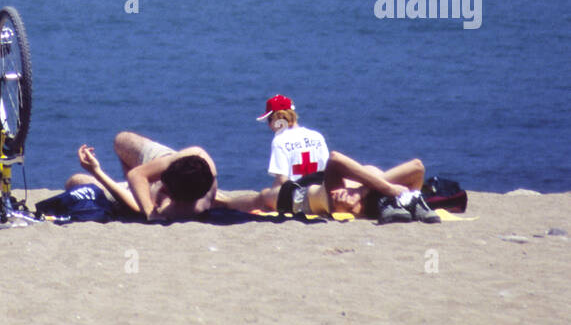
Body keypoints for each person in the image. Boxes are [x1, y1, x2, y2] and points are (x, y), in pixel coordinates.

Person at [225, 151, 440, 223]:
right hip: (353, 180)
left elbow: (335, 158)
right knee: (260, 198)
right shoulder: (356, 197)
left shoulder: (344, 202)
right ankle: (220, 199)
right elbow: (418, 167)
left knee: (262, 199)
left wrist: (362, 191)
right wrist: (372, 190)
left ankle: (219, 199)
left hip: (301, 198)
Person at [66, 131, 219, 222]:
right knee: (122, 139)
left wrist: (96, 171)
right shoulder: (199, 157)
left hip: (140, 198)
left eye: (165, 187)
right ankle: (140, 181)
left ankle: (133, 187)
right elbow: (137, 174)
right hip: (166, 164)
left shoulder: (176, 211)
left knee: (76, 182)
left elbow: (137, 206)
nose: (161, 184)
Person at [257, 93, 329, 187]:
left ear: (279, 118)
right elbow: (327, 169)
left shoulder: (280, 141)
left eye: (269, 120)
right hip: (318, 191)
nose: (269, 125)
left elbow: (282, 179)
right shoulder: (317, 136)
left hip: (296, 195)